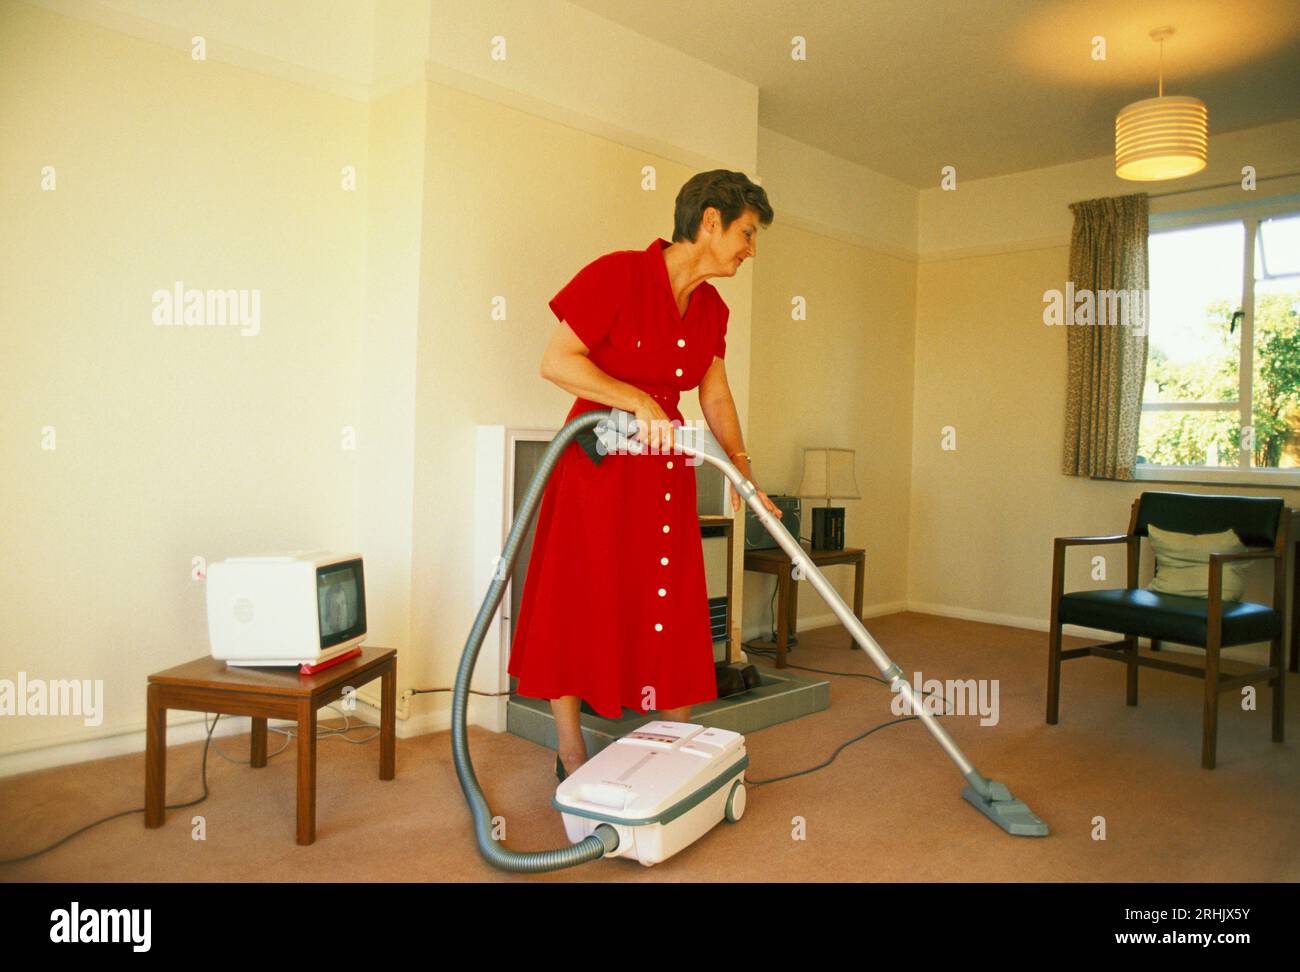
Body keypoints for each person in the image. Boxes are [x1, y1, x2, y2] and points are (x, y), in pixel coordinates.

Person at [508, 170, 782, 780]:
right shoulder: (617, 274)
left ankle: (672, 752)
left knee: (671, 598)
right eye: (746, 232)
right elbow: (556, 361)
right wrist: (637, 399)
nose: (750, 248)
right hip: (595, 469)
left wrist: (744, 472)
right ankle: (571, 752)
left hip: (661, 472)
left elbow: (715, 396)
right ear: (709, 220)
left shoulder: (712, 308)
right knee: (584, 598)